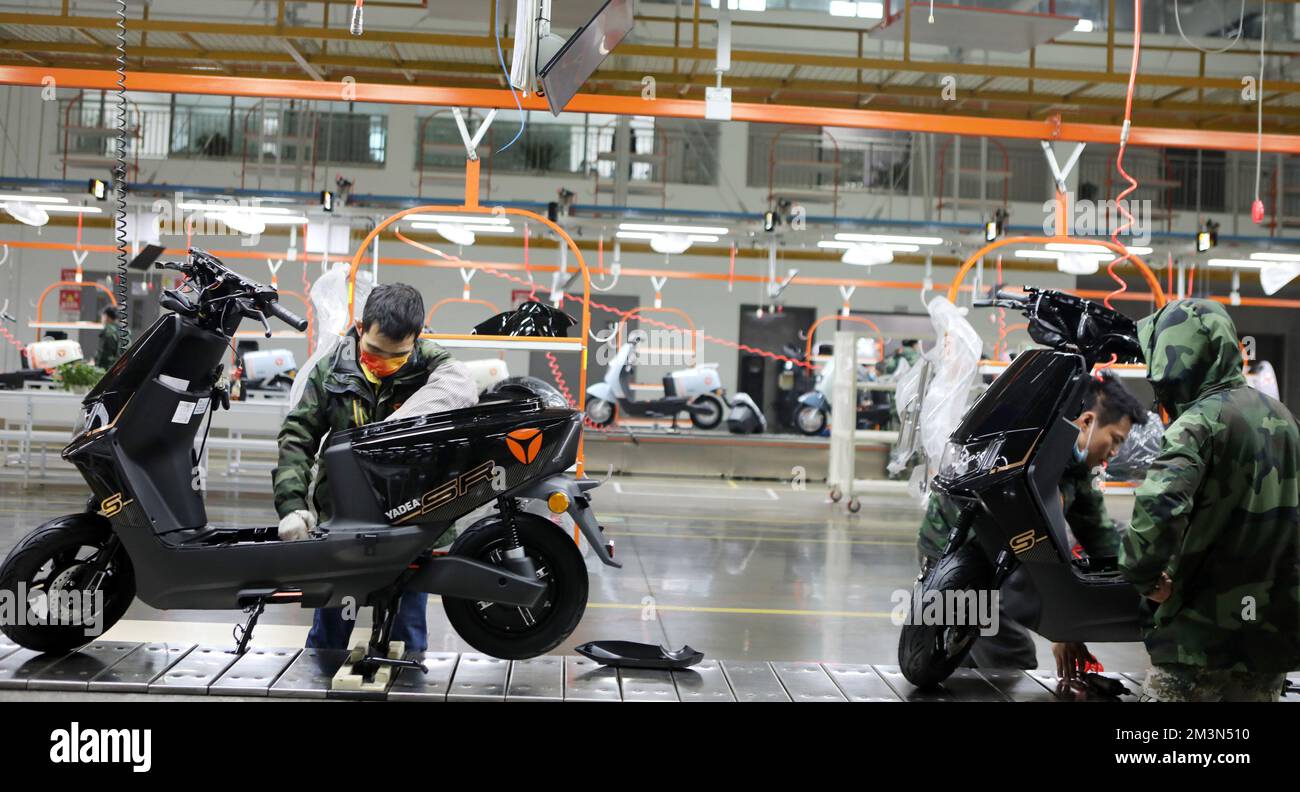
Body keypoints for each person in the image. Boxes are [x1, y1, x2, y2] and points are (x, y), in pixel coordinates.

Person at [273, 283, 476, 655]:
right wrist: (291, 507)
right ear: (359, 326)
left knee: (407, 638)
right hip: (345, 525)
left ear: (417, 337)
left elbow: (462, 390)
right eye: (374, 351)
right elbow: (297, 436)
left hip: (412, 530)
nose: (383, 363)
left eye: (396, 357)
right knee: (328, 635)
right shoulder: (330, 370)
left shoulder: (434, 367)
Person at [1120, 299, 1300, 702]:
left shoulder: (1198, 423)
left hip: (1199, 638)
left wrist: (1143, 575)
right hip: (1271, 637)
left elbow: (1161, 503)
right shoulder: (1286, 420)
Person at [917, 373, 1148, 673]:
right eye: (1115, 440)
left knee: (967, 665)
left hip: (990, 564)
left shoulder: (1076, 474)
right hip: (960, 559)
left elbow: (1100, 537)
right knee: (1011, 659)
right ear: (1087, 422)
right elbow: (1025, 549)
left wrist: (1142, 575)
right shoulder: (1029, 454)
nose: (1115, 451)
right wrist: (1061, 626)